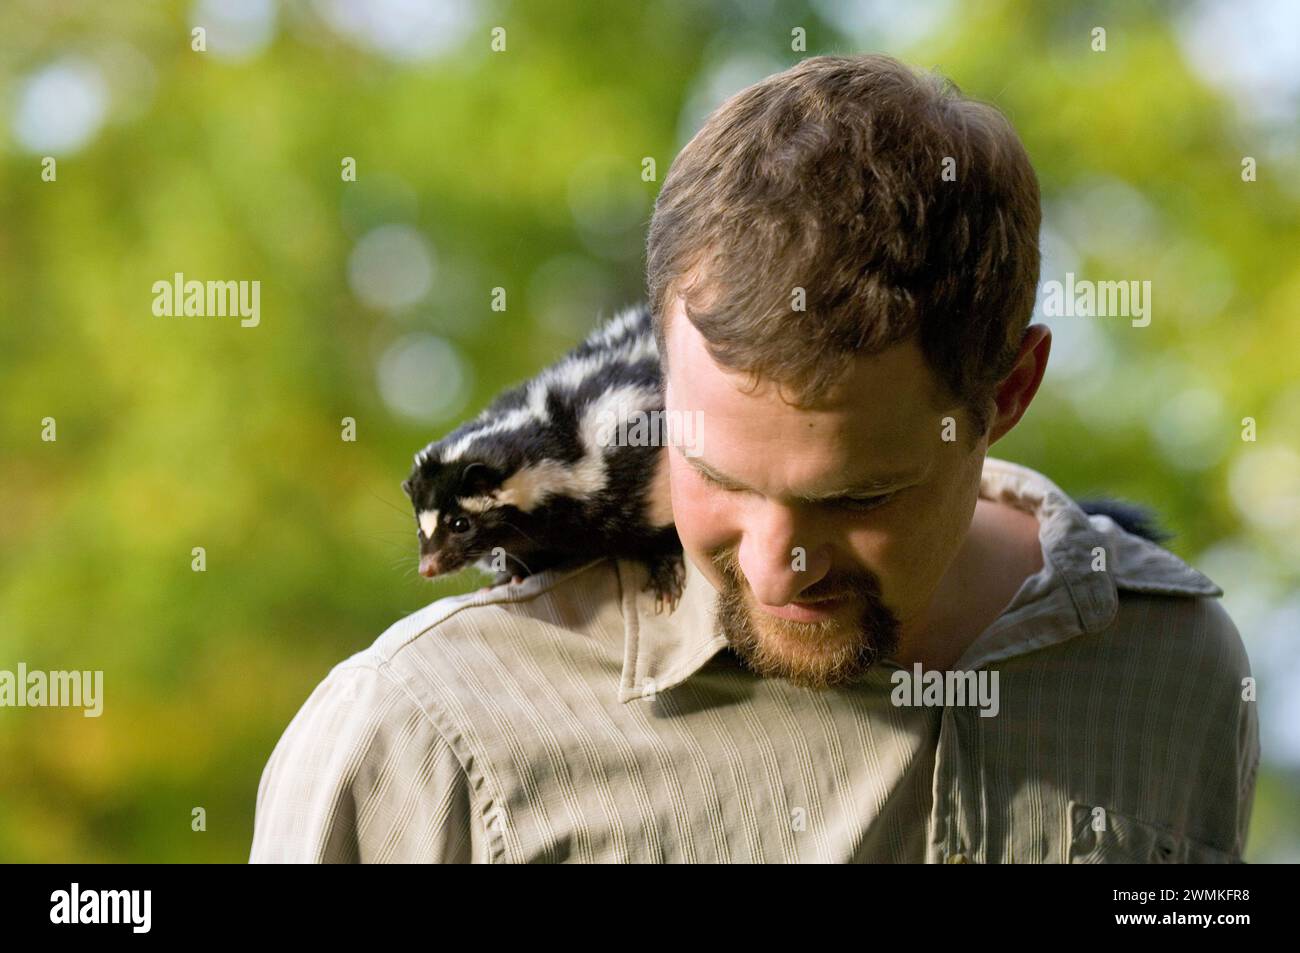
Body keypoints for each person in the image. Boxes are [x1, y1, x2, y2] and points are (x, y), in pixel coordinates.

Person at [250, 53, 1258, 863]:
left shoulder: (1175, 669)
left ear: (1006, 393)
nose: (780, 561)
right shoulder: (423, 732)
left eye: (857, 494)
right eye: (719, 474)